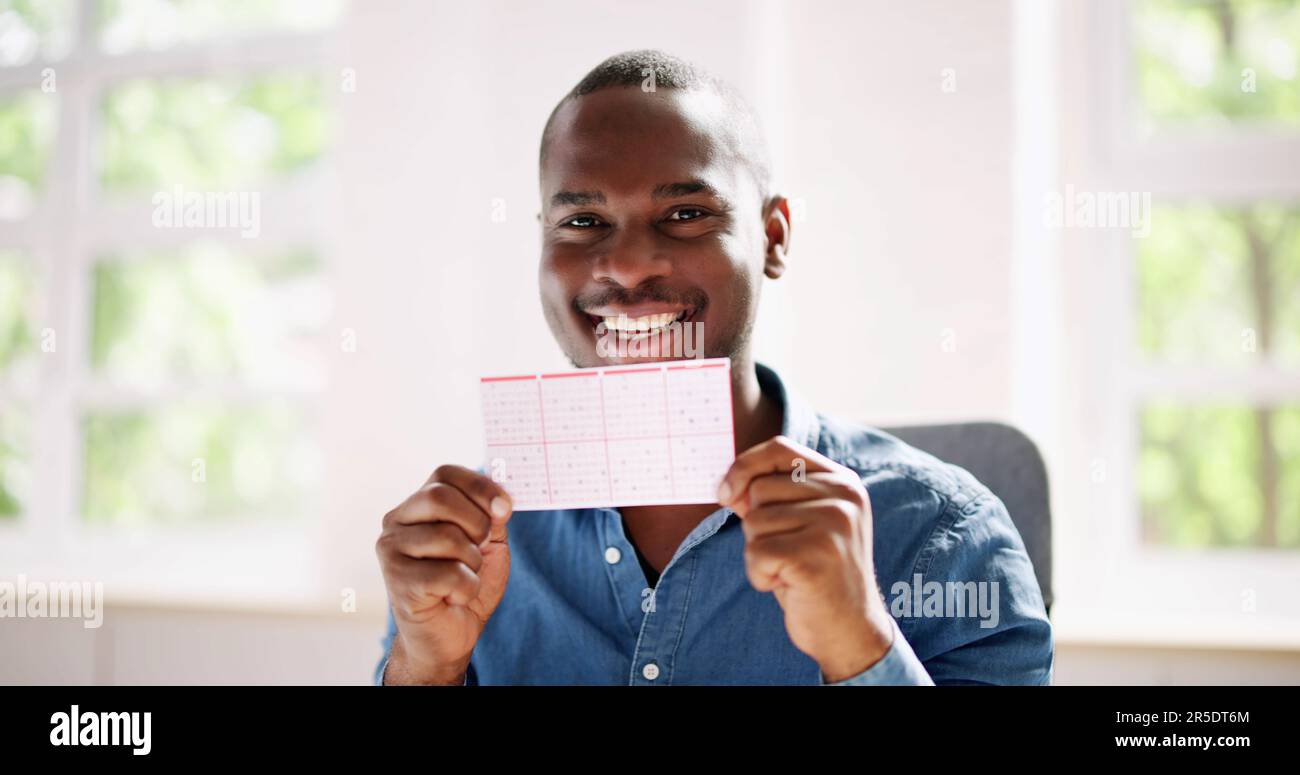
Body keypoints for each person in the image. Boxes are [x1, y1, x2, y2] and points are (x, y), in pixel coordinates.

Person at [374, 50, 1052, 685]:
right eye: (582, 221)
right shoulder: (470, 544)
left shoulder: (946, 534)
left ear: (774, 238)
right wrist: (424, 666)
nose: (630, 264)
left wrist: (859, 642)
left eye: (687, 213)